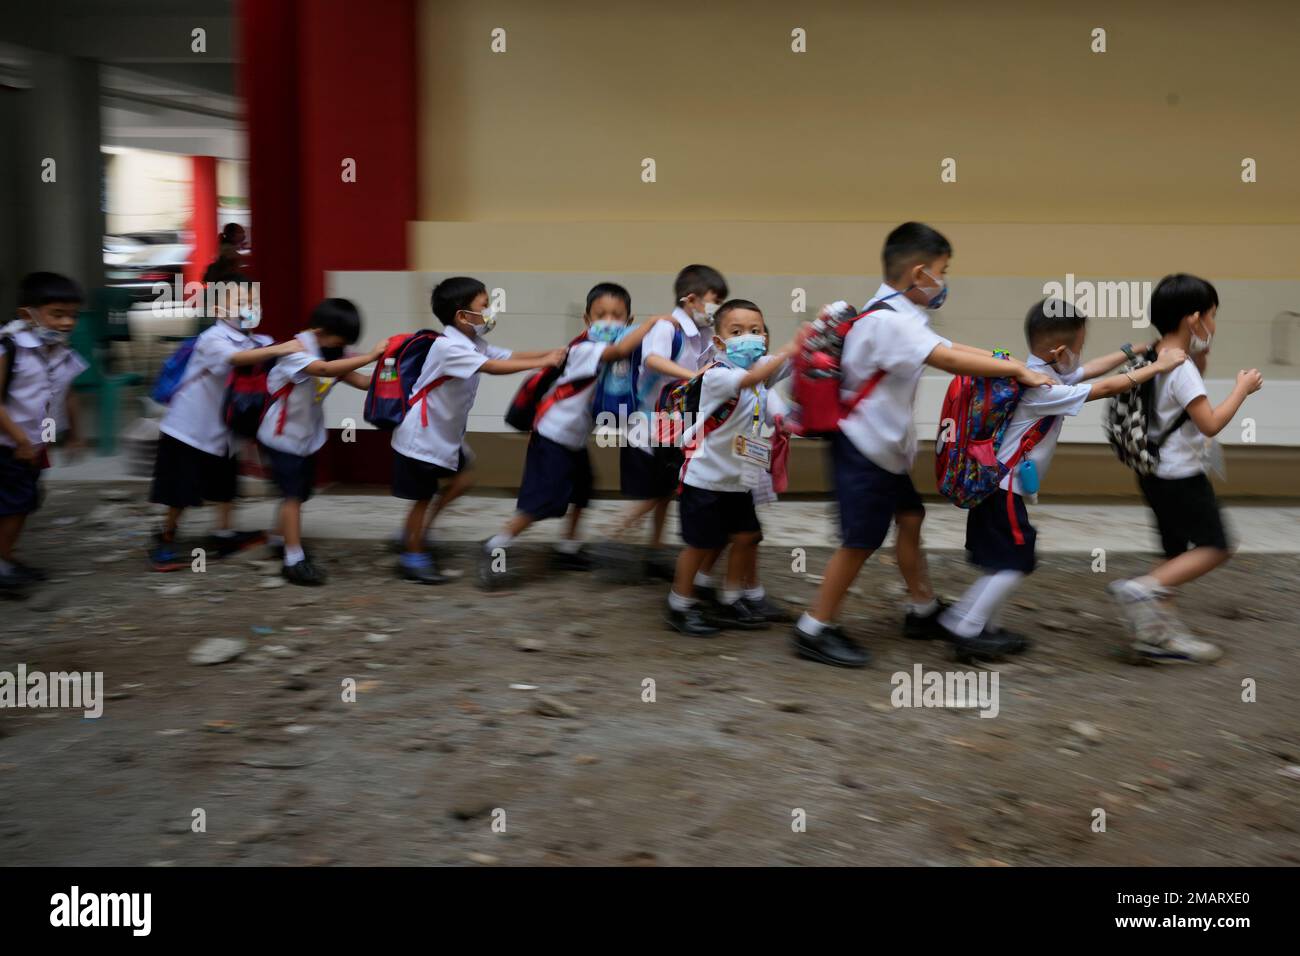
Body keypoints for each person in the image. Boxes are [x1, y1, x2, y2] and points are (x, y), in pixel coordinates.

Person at [792, 222, 1053, 668]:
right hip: (864, 450)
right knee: (860, 541)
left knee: (910, 517)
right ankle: (815, 627)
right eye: (941, 271)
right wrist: (1018, 372)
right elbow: (946, 358)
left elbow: (946, 344)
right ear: (919, 274)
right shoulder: (890, 324)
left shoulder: (897, 316)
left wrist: (1001, 359)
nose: (943, 282)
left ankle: (922, 608)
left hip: (883, 452)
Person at [937, 298, 1187, 661]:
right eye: (1078, 348)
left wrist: (1128, 351)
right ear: (1059, 350)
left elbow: (1088, 373)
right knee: (1016, 561)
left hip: (998, 487)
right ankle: (965, 626)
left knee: (1001, 560)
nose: (1080, 355)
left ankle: (975, 622)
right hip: (1004, 489)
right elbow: (1103, 389)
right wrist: (1159, 367)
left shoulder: (1039, 371)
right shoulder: (1040, 389)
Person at [1108, 274, 1263, 662]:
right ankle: (1140, 589)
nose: (1214, 323)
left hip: (1153, 474)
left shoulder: (1157, 355)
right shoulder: (1184, 369)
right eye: (1211, 316)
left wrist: (1202, 349)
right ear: (1194, 319)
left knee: (1173, 553)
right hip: (1181, 476)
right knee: (1218, 546)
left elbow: (1176, 404)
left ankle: (1156, 635)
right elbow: (1209, 423)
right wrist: (1241, 389)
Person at [479, 283, 658, 586]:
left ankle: (568, 547)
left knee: (583, 490)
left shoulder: (618, 358)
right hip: (553, 435)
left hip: (573, 439)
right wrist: (654, 323)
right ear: (588, 320)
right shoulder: (585, 349)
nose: (609, 321)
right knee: (540, 504)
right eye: (601, 315)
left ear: (628, 321)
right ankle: (496, 545)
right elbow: (619, 349)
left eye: (617, 316)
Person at [391, 276, 564, 583]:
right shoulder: (448, 348)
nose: (490, 312)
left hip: (444, 437)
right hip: (421, 438)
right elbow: (492, 367)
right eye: (484, 306)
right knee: (422, 497)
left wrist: (553, 354)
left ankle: (415, 532)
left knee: (464, 479)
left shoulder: (472, 342)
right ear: (462, 315)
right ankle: (412, 555)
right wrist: (544, 361)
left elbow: (508, 355)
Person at [666, 299, 794, 635]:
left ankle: (730, 597)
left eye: (755, 331)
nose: (748, 337)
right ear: (720, 342)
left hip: (739, 481)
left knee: (747, 536)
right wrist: (796, 344)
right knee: (700, 545)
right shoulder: (717, 375)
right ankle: (679, 604)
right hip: (704, 481)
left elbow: (781, 391)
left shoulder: (757, 382)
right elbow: (761, 372)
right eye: (737, 332)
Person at [250, 298, 387, 585]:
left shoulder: (333, 350)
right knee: (293, 496)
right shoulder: (297, 351)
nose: (344, 346)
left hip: (307, 436)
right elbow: (323, 371)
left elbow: (361, 381)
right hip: (281, 436)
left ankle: (280, 539)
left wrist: (395, 372)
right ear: (322, 330)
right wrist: (372, 356)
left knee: (299, 493)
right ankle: (293, 559)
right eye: (342, 338)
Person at [148, 276, 279, 571]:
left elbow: (270, 359)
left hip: (224, 431)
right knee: (179, 490)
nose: (250, 308)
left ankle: (224, 534)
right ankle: (165, 538)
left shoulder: (261, 341)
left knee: (225, 484)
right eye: (241, 303)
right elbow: (236, 359)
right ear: (220, 310)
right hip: (189, 429)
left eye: (254, 303)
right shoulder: (212, 339)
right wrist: (279, 350)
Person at [615, 264, 729, 578]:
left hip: (676, 425)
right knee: (659, 492)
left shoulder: (705, 333)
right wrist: (693, 376)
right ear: (690, 299)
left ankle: (654, 551)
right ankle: (614, 534)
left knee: (666, 492)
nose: (716, 308)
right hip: (649, 426)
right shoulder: (667, 328)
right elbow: (653, 360)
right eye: (713, 300)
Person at [0, 273, 88, 595]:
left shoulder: (59, 351)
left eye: (72, 315)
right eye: (57, 314)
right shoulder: (9, 348)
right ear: (28, 314)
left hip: (34, 445)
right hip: (9, 445)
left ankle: (6, 559)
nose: (67, 322)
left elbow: (68, 393)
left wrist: (75, 435)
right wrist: (21, 441)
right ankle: (3, 565)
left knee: (24, 503)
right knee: (13, 505)